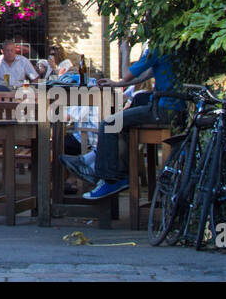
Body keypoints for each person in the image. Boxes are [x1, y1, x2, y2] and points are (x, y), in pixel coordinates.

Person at [78, 45, 183, 200]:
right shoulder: (175, 44)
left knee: (109, 124)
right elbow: (148, 73)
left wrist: (118, 80)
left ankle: (109, 179)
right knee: (124, 126)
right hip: (178, 109)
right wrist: (120, 84)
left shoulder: (157, 47)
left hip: (163, 109)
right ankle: (121, 174)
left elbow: (132, 73)